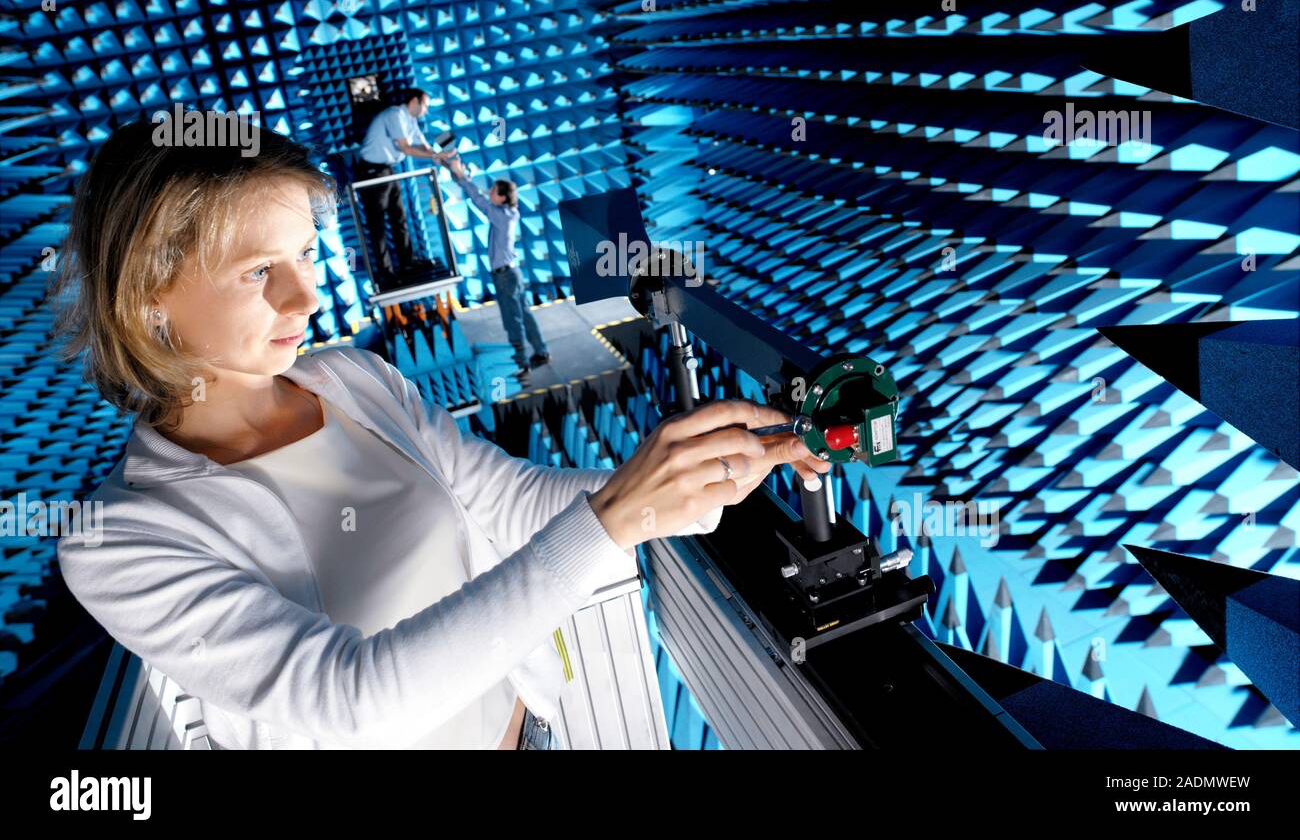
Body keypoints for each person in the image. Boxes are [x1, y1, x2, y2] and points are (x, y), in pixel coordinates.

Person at [47, 119, 832, 750]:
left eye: (306, 255)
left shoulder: (353, 380)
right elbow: (354, 701)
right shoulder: (120, 538)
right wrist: (614, 518)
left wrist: (693, 480)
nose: (305, 297)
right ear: (149, 294)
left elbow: (505, 498)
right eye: (259, 272)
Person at [436, 150, 547, 379]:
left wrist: (462, 178)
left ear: (503, 197)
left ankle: (521, 364)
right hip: (511, 273)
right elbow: (482, 198)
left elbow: (478, 201)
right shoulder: (508, 213)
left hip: (505, 277)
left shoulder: (501, 216)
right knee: (524, 315)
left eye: (494, 191)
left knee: (512, 320)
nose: (490, 192)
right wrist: (457, 173)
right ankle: (541, 351)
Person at [354, 87, 442, 286]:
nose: (426, 111)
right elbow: (406, 148)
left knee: (399, 218)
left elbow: (423, 145)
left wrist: (437, 154)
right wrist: (433, 156)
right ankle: (386, 273)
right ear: (414, 102)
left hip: (387, 169)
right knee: (378, 226)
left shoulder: (409, 120)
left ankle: (408, 263)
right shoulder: (394, 114)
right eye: (425, 106)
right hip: (371, 172)